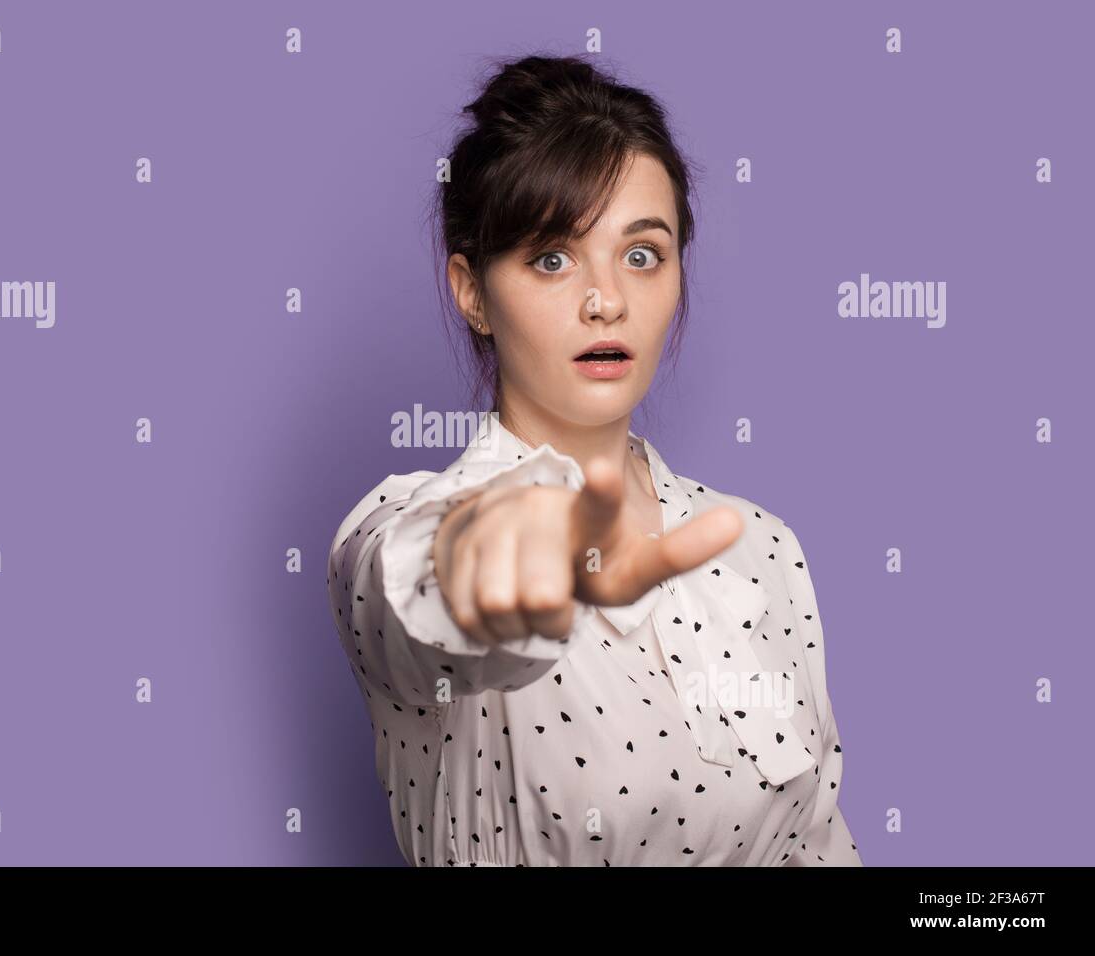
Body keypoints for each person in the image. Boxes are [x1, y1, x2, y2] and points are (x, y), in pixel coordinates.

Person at [327, 53, 862, 867]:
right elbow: (404, 598)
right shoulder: (406, 530)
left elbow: (820, 844)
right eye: (552, 257)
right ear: (472, 292)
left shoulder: (761, 547)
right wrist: (485, 564)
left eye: (642, 254)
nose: (606, 298)